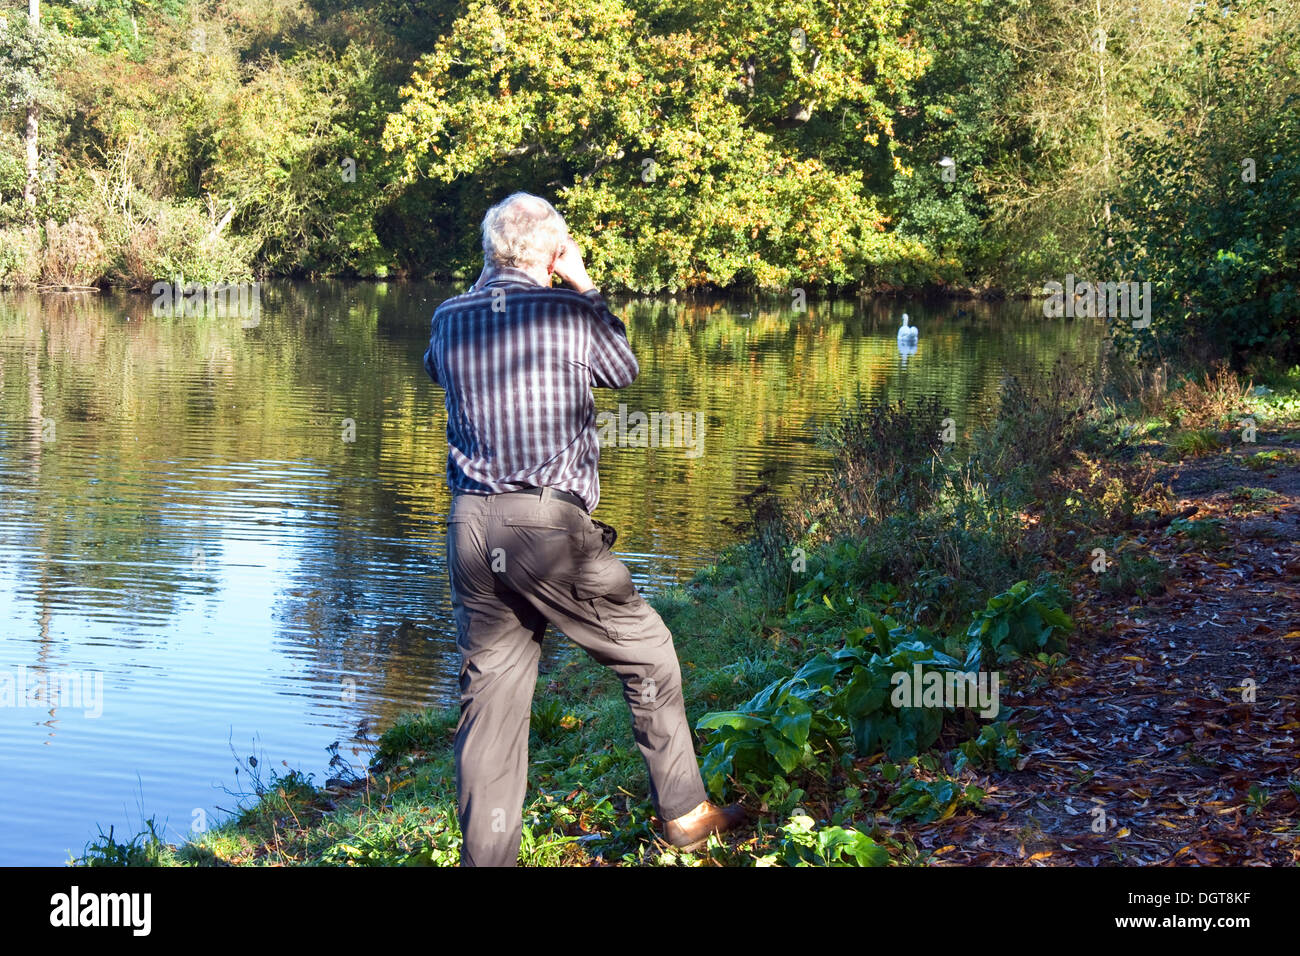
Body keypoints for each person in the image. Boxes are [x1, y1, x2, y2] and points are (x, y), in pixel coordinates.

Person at [422, 191, 746, 866]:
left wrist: (498, 274)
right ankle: (686, 814)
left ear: (489, 252)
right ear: (552, 250)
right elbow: (623, 371)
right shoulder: (570, 311)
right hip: (545, 527)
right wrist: (587, 284)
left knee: (491, 702)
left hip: (470, 528)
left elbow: (434, 369)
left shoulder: (449, 317)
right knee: (648, 652)